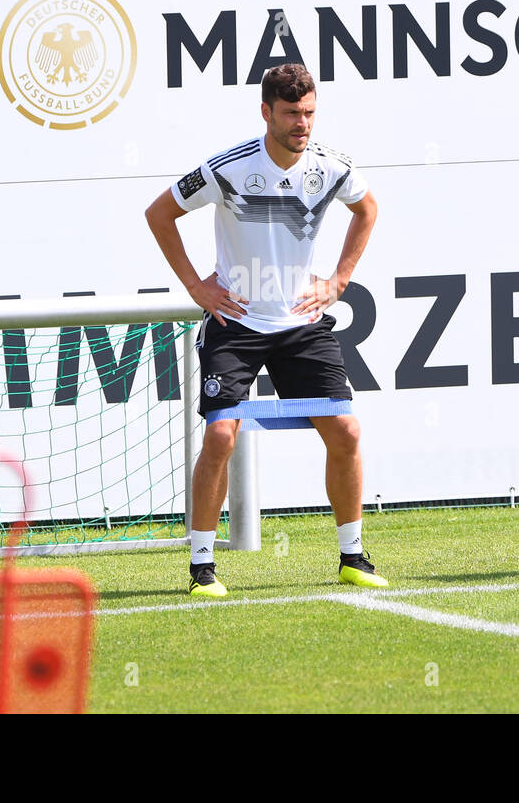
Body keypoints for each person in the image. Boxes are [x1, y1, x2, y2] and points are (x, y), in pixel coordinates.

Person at [145, 63, 386, 596]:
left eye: (309, 113)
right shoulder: (226, 168)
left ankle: (352, 557)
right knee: (221, 434)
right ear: (266, 113)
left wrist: (339, 280)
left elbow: (367, 209)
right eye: (292, 114)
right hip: (237, 322)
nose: (303, 124)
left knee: (345, 430)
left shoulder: (331, 167)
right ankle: (202, 568)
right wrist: (195, 287)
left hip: (301, 323)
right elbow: (158, 214)